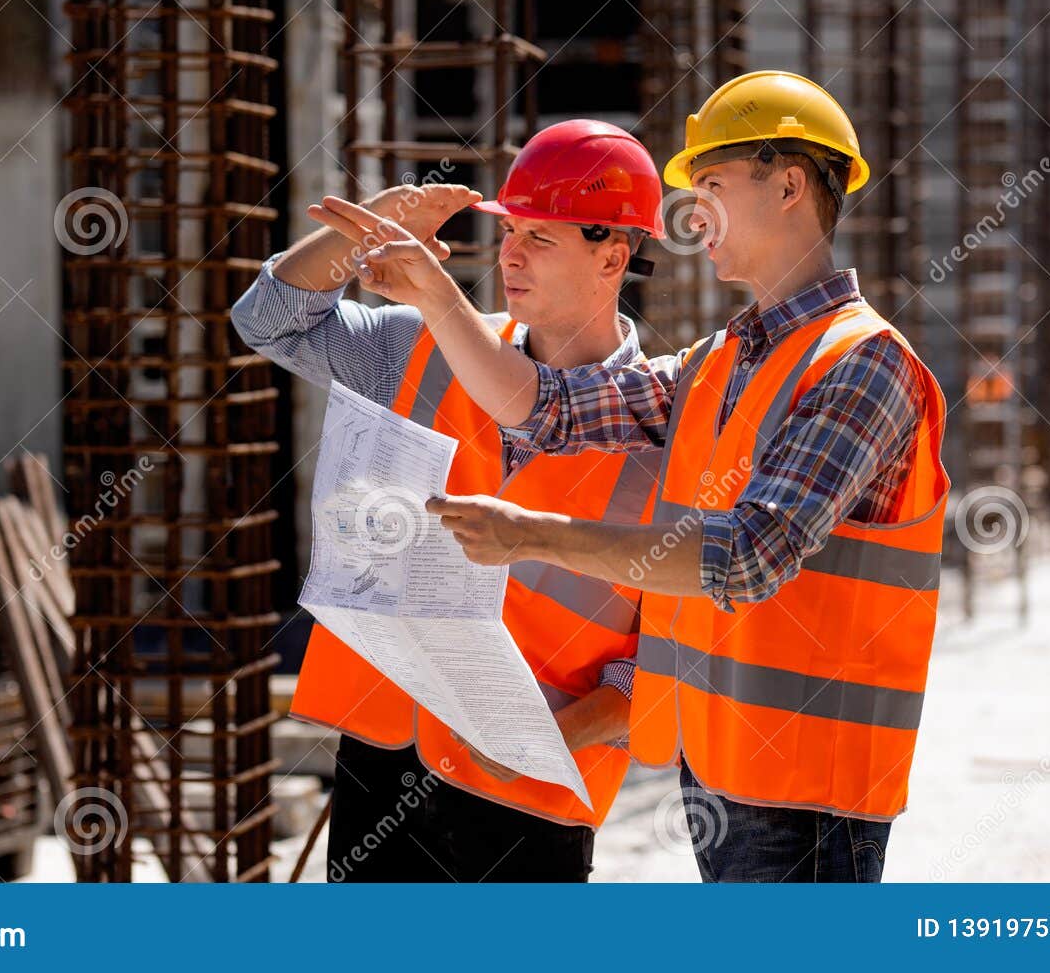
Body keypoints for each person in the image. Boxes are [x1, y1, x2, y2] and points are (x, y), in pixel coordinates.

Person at [314, 71, 951, 883]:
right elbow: (544, 406)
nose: (694, 214)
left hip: (813, 793)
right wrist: (435, 292)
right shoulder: (719, 362)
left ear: (790, 185)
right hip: (724, 771)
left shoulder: (863, 364)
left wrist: (532, 537)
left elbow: (750, 552)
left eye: (713, 186)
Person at [230, 120, 666, 882]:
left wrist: (552, 735)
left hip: (532, 797)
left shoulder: (664, 431)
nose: (510, 253)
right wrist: (376, 232)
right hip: (387, 763)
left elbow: (669, 660)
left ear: (613, 256)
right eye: (510, 230)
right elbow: (265, 320)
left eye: (541, 237)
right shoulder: (421, 346)